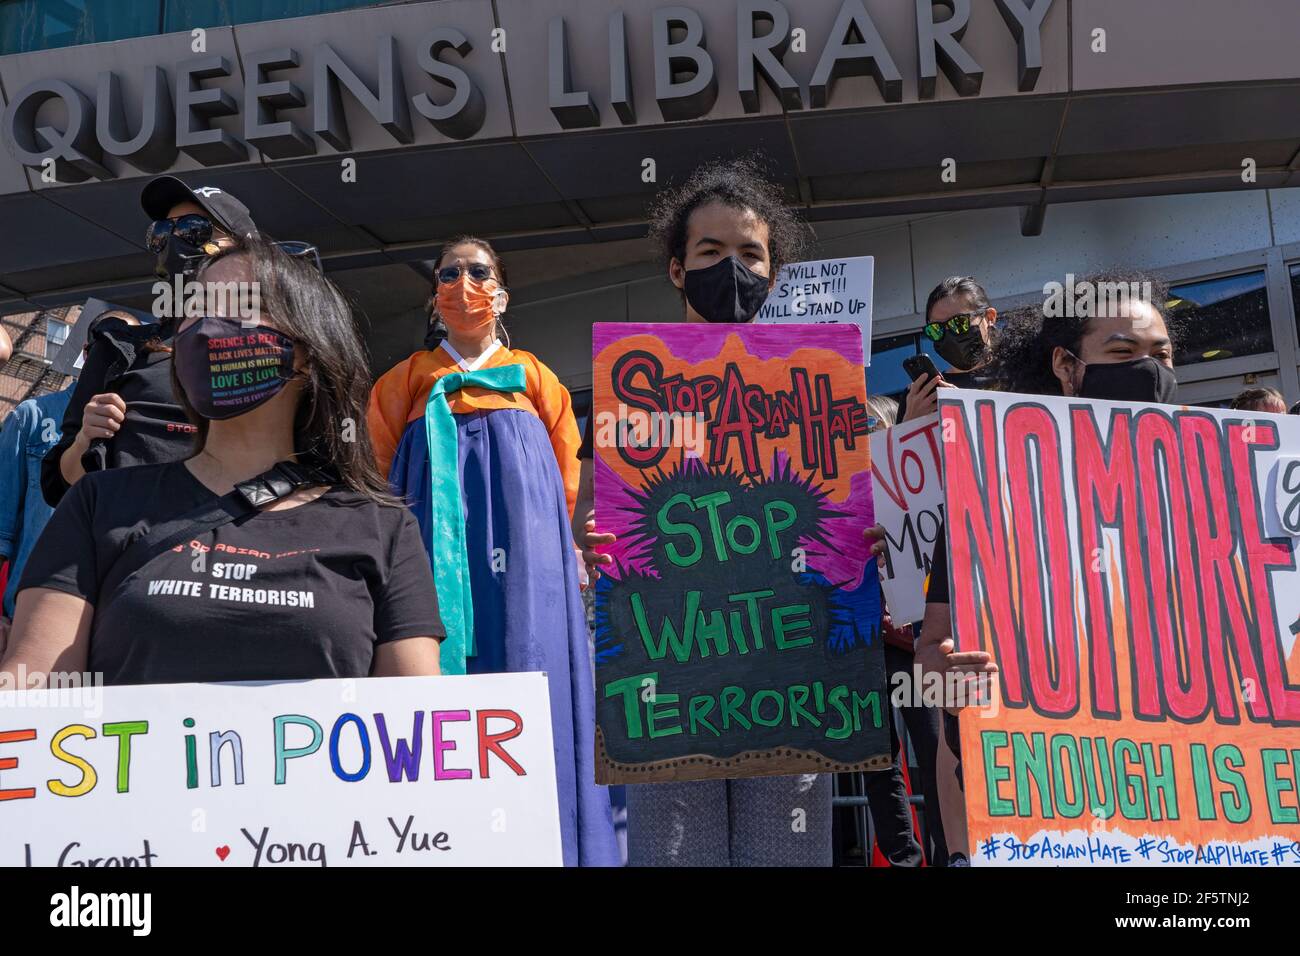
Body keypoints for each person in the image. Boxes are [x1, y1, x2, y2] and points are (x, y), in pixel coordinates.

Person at [2, 238, 441, 685]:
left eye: (240, 306)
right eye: (198, 307)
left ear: (308, 354)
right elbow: (35, 687)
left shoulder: (381, 527)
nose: (209, 329)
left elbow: (415, 716)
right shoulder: (99, 505)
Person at [582, 156, 846, 867]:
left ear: (774, 271)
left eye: (750, 254)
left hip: (787, 675)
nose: (732, 267)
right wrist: (589, 543)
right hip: (669, 675)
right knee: (675, 855)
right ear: (676, 269)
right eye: (711, 251)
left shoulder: (814, 393)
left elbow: (834, 524)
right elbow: (591, 521)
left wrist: (855, 545)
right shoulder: (629, 388)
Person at [367, 236, 617, 868]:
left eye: (476, 272)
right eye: (447, 274)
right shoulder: (403, 382)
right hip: (429, 561)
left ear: (501, 292)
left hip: (532, 570)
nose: (461, 282)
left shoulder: (539, 378)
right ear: (433, 298)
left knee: (534, 672)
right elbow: (374, 480)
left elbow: (568, 485)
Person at [918, 269, 1180, 863]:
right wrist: (947, 675)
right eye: (1123, 351)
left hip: (1170, 820)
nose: (1149, 367)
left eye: (1161, 353)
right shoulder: (986, 495)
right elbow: (933, 655)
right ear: (1065, 366)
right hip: (1039, 821)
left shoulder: (1211, 495)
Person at [41, 176, 255, 506]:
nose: (175, 242)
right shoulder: (119, 349)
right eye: (162, 233)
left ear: (244, 250)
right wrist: (87, 437)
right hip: (133, 545)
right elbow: (60, 485)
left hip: (234, 543)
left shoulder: (279, 350)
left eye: (194, 229)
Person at [860, 395, 948, 867]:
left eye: (871, 422)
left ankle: (947, 850)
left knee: (935, 748)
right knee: (877, 759)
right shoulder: (844, 489)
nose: (862, 430)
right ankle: (904, 858)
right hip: (864, 644)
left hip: (915, 639)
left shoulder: (915, 481)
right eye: (855, 425)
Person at [898, 276, 998, 422]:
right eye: (936, 330)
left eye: (959, 323)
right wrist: (910, 422)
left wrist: (965, 408)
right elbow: (903, 444)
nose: (949, 336)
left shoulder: (1023, 371)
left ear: (989, 317)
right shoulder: (920, 397)